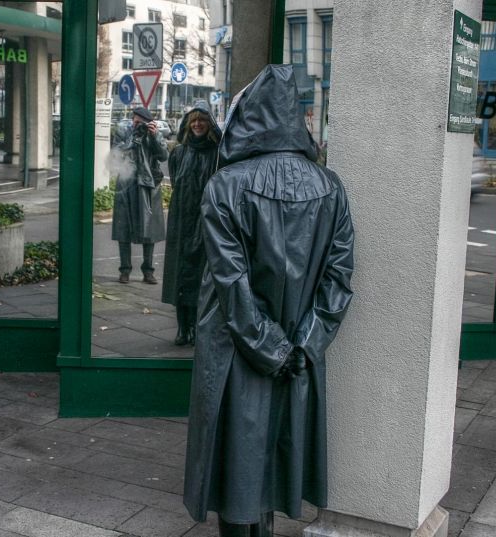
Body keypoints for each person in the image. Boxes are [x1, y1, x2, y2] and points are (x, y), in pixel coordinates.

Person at [183, 65, 354, 536]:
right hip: (298, 353)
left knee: (235, 460)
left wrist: (269, 346)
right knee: (276, 456)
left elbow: (230, 281)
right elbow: (338, 279)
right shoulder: (331, 187)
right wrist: (303, 345)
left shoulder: (224, 186)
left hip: (236, 349)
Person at [161, 100, 221, 346]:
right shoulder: (179, 153)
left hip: (205, 222)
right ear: (188, 124)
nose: (197, 124)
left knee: (200, 277)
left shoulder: (218, 154)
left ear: (210, 124)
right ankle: (182, 328)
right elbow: (176, 183)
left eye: (202, 120)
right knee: (179, 276)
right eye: (194, 120)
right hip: (180, 223)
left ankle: (197, 328)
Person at [111, 107, 168, 284]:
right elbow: (117, 152)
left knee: (149, 228)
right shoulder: (123, 131)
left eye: (142, 123)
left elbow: (163, 155)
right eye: (136, 121)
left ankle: (148, 271)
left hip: (149, 184)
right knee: (123, 227)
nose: (138, 125)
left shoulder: (154, 133)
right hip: (126, 183)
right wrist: (133, 137)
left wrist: (154, 136)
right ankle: (125, 270)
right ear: (132, 119)